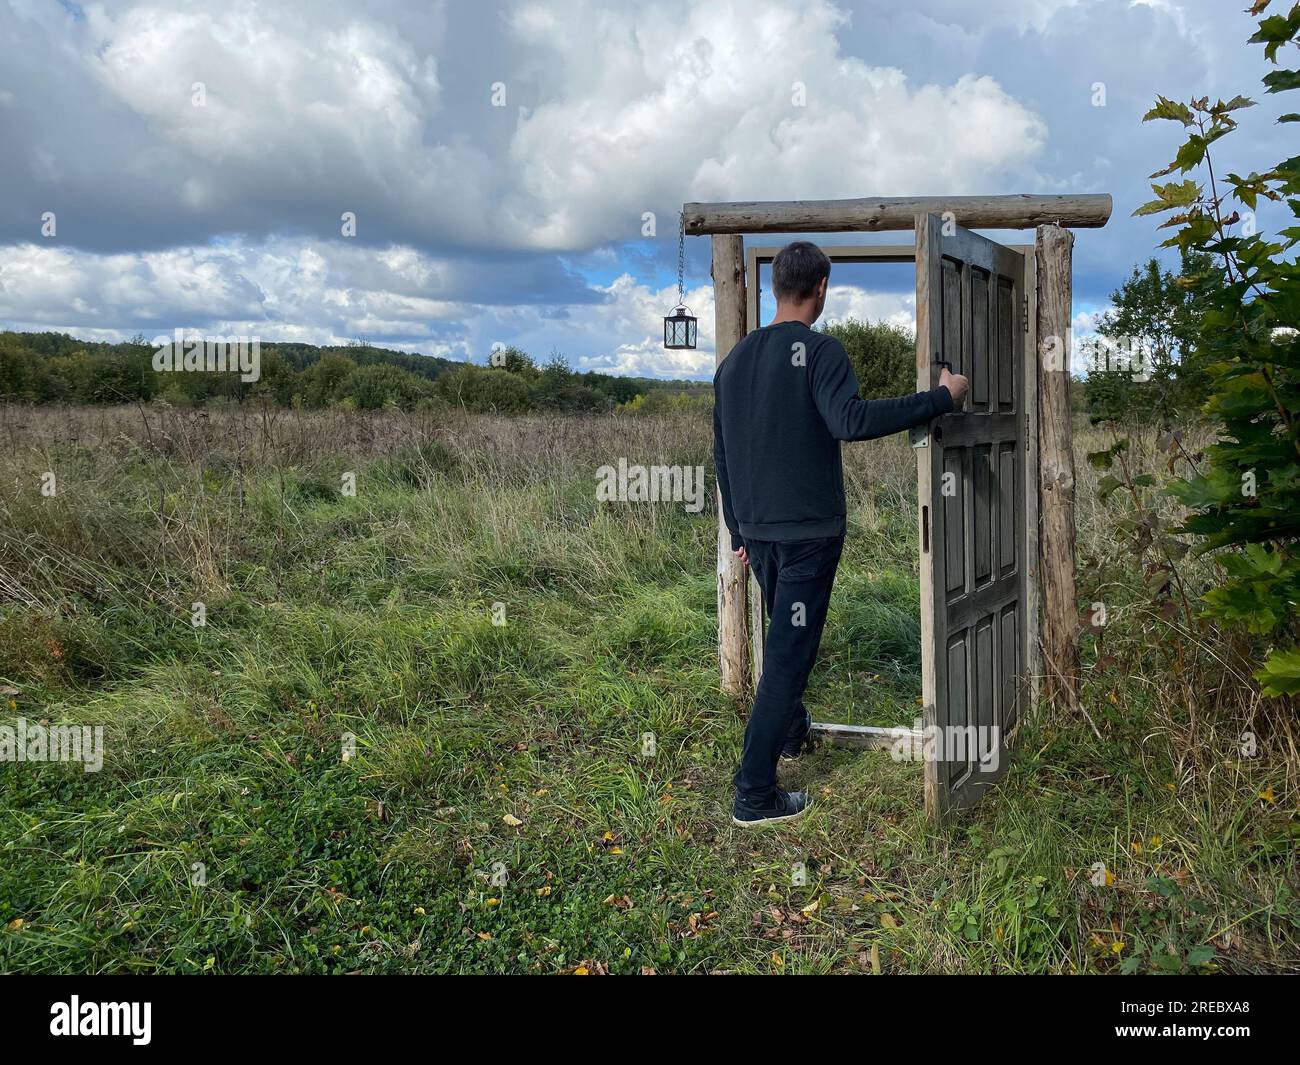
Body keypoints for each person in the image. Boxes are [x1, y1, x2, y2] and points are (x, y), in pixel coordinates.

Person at [713, 240, 969, 827]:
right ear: (821, 287)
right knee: (788, 658)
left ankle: (791, 732)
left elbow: (721, 452)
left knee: (785, 642)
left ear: (776, 286)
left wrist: (737, 530)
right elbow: (849, 421)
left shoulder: (735, 360)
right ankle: (754, 795)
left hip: (760, 533)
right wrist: (940, 398)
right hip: (807, 535)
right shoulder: (821, 350)